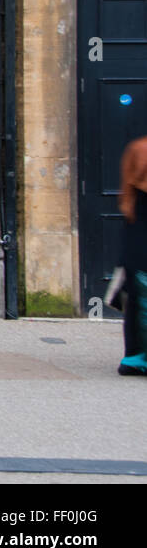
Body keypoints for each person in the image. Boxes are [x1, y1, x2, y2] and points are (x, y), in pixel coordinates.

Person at [116, 135, 147, 375]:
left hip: (137, 235)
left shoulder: (137, 148)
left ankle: (135, 356)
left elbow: (126, 203)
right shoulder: (140, 148)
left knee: (138, 297)